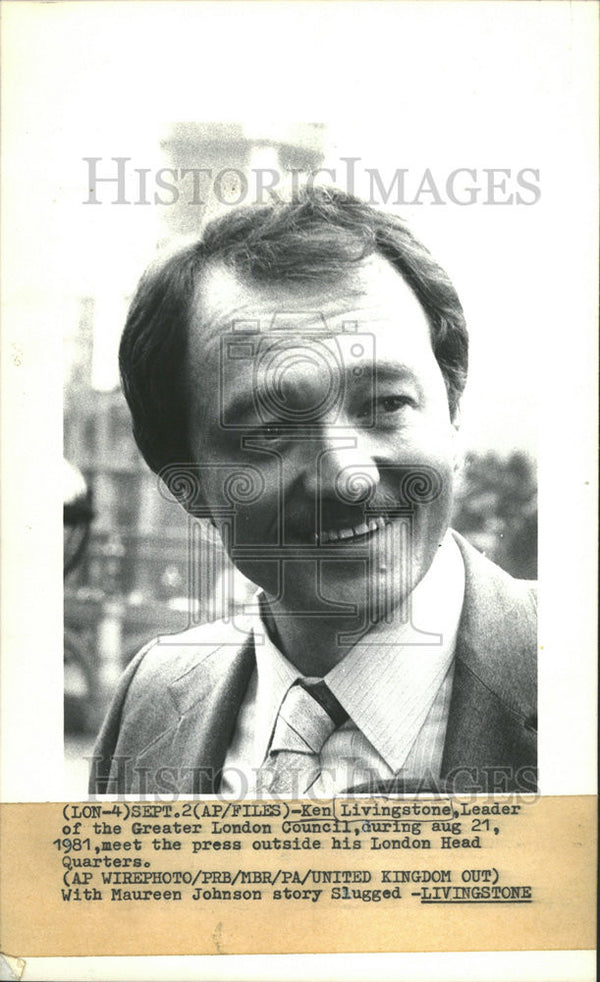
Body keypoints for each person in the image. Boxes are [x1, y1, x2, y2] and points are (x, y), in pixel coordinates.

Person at [90, 187, 537, 797]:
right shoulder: (148, 704)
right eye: (269, 431)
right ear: (188, 486)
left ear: (452, 416)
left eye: (385, 404)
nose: (348, 476)